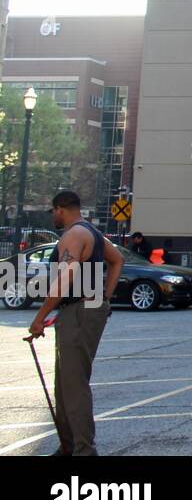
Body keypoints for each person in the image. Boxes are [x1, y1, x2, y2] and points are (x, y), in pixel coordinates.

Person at [28, 191, 124, 456]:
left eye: (53, 212)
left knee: (74, 383)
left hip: (80, 309)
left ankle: (83, 450)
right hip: (86, 306)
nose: (53, 217)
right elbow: (118, 260)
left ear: (60, 209)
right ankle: (68, 446)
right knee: (65, 382)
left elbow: (64, 280)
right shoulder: (92, 232)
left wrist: (39, 318)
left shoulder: (72, 235)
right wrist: (105, 295)